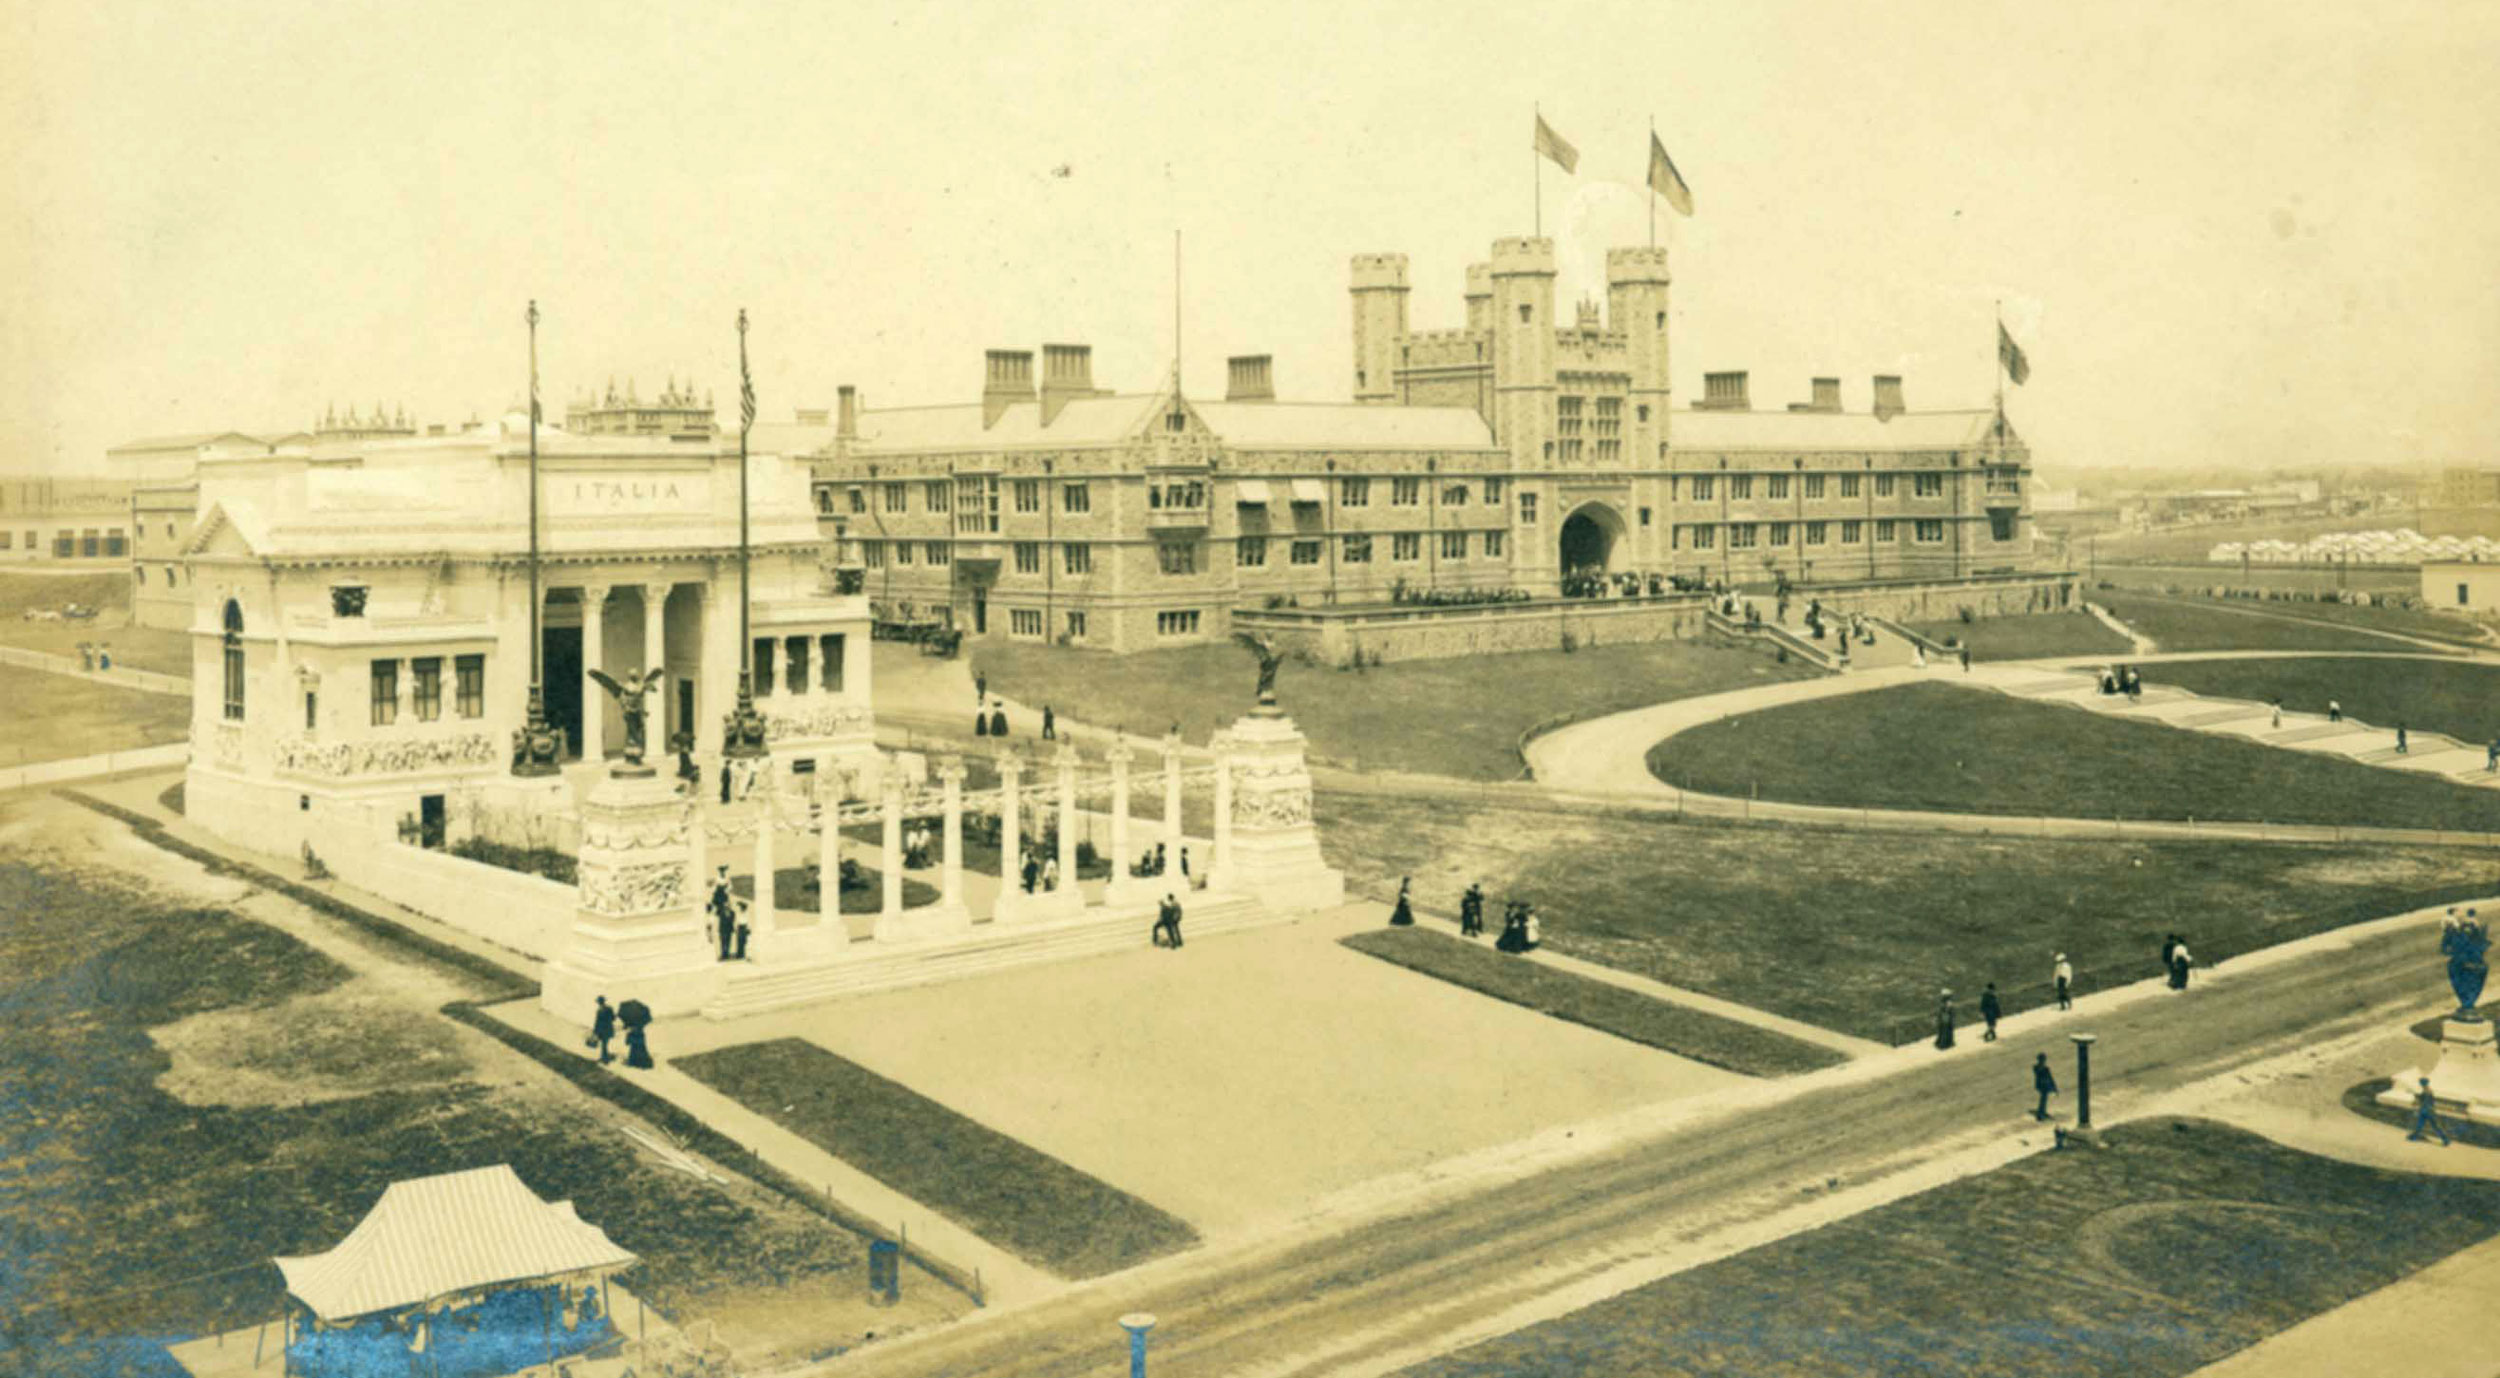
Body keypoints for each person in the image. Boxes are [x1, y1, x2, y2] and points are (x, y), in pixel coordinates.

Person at [2409, 1076, 2452, 1146]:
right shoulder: (2427, 1090)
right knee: (2429, 1125)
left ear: (2423, 1083)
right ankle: (2414, 1136)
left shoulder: (2427, 1090)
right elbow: (2424, 1099)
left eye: (2421, 1083)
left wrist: (2419, 1105)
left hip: (2427, 1110)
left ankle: (2446, 1139)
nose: (2420, 1084)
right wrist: (2417, 1096)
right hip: (2428, 1110)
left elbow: (2425, 1101)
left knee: (2427, 1125)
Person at [710, 867, 737, 962]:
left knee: (727, 906)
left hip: (724, 894)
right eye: (721, 871)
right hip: (719, 894)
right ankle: (723, 953)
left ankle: (727, 952)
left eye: (723, 871)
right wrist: (716, 890)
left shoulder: (727, 877)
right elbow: (714, 887)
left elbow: (730, 886)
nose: (722, 872)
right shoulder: (717, 878)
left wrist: (727, 890)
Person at [589, 996, 617, 1064]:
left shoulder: (599, 1010)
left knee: (604, 1044)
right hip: (608, 1029)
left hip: (602, 1029)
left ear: (599, 1002)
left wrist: (595, 1031)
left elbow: (597, 1022)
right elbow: (613, 1019)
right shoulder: (609, 1008)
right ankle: (604, 1057)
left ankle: (604, 1058)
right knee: (605, 1044)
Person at [2032, 1053, 2059, 1121]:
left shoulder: (2039, 1067)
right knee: (2043, 1100)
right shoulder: (2041, 1068)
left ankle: (2041, 1112)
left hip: (2043, 1085)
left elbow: (2050, 1078)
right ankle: (2041, 1114)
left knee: (2043, 1099)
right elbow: (2049, 1078)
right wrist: (2054, 1087)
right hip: (2043, 1085)